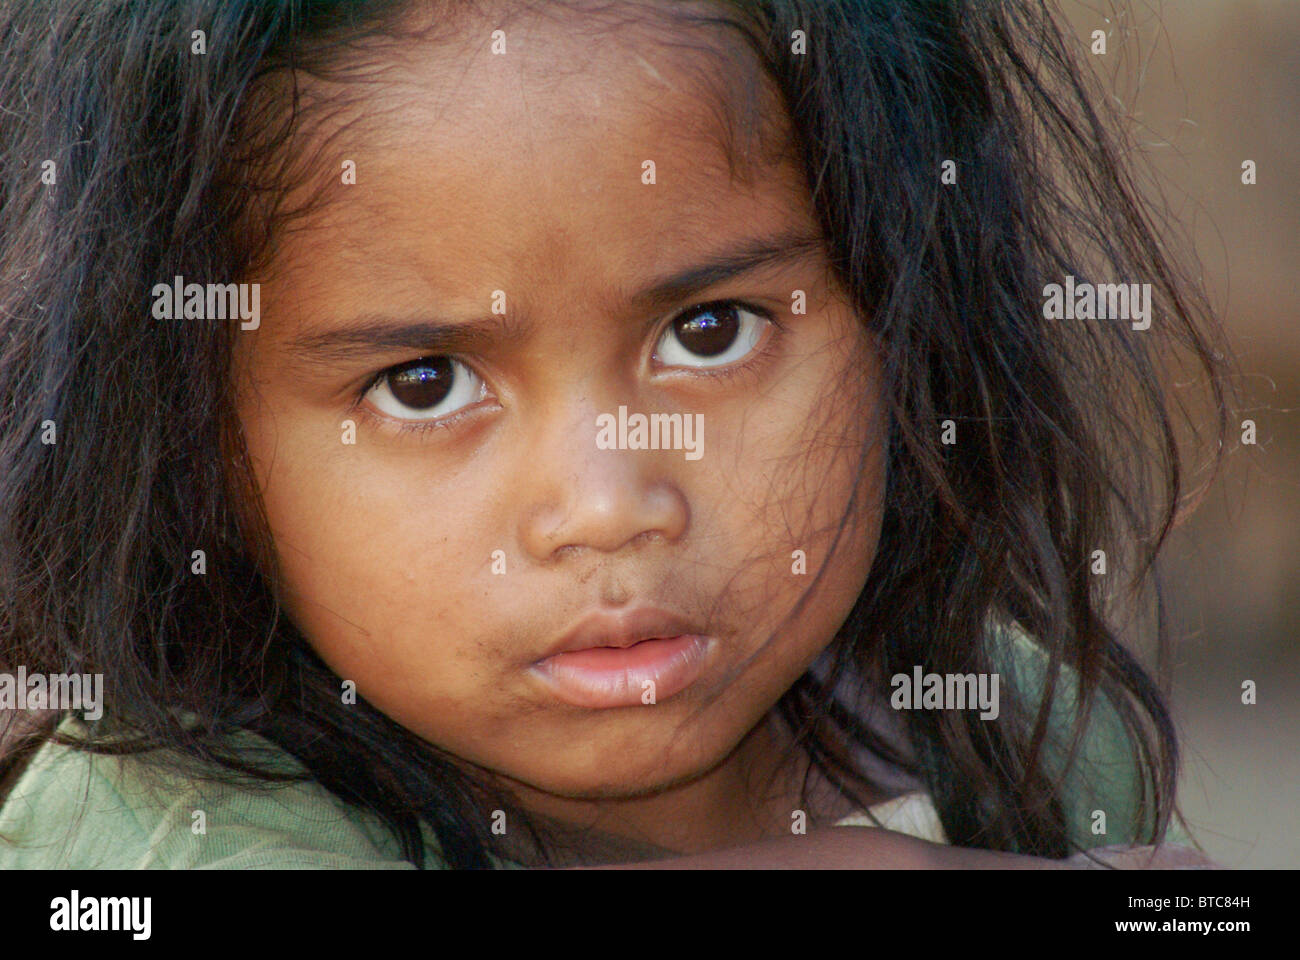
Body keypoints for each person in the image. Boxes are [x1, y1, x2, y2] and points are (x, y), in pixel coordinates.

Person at [0, 0, 1230, 869]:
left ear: (905, 310)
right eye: (423, 383)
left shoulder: (1023, 731)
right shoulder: (159, 829)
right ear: (195, 448)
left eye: (709, 331)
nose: (606, 503)